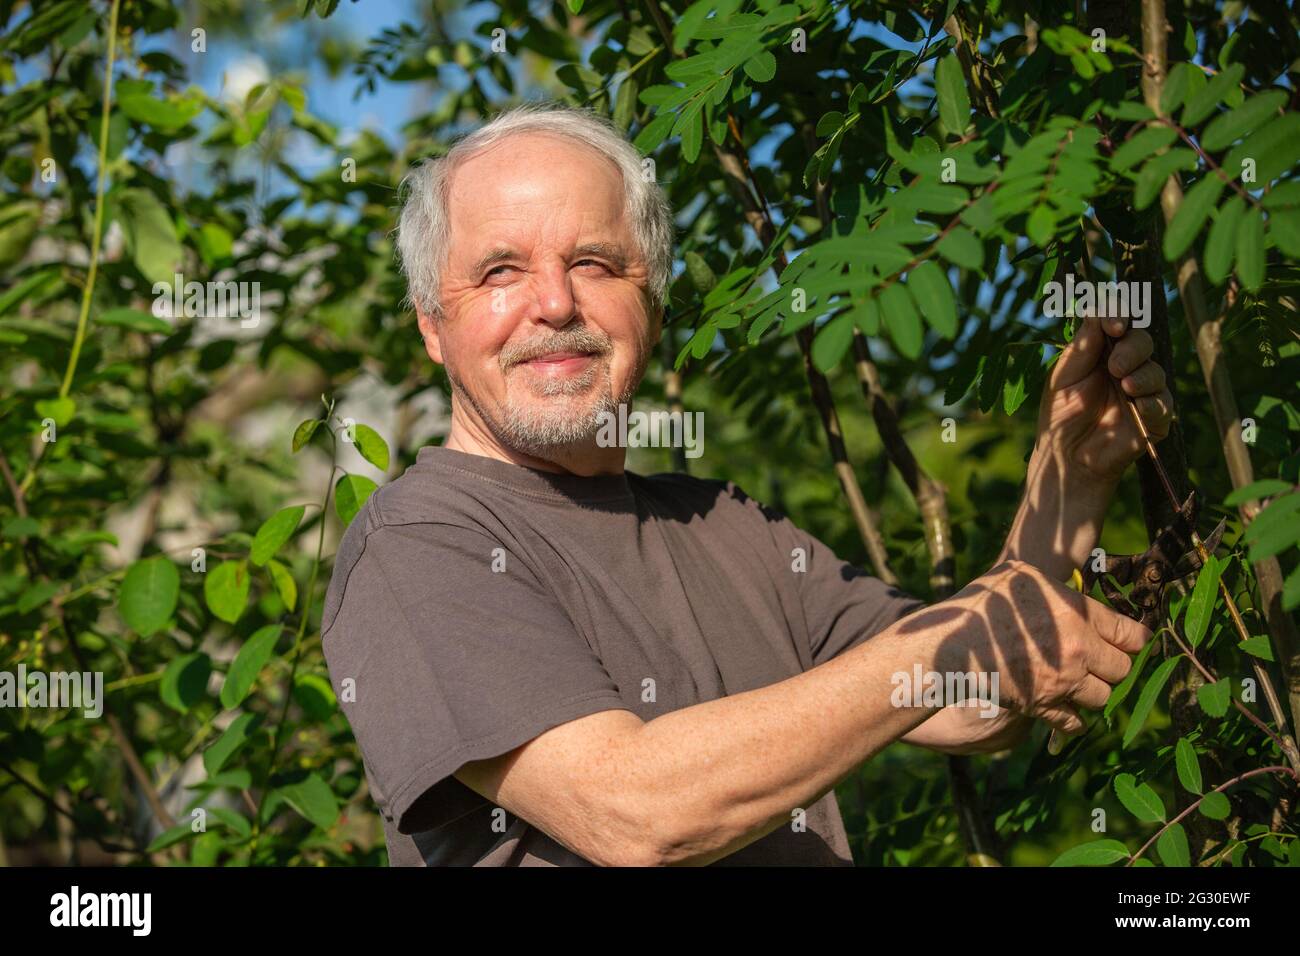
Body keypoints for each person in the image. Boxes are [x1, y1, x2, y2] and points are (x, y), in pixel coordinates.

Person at [321, 102, 1173, 866]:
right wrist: (950, 642)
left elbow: (972, 702)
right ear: (434, 324)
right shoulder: (420, 543)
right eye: (501, 270)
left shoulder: (726, 525)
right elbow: (633, 816)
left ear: (651, 302)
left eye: (593, 262)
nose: (554, 304)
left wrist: (1069, 476)